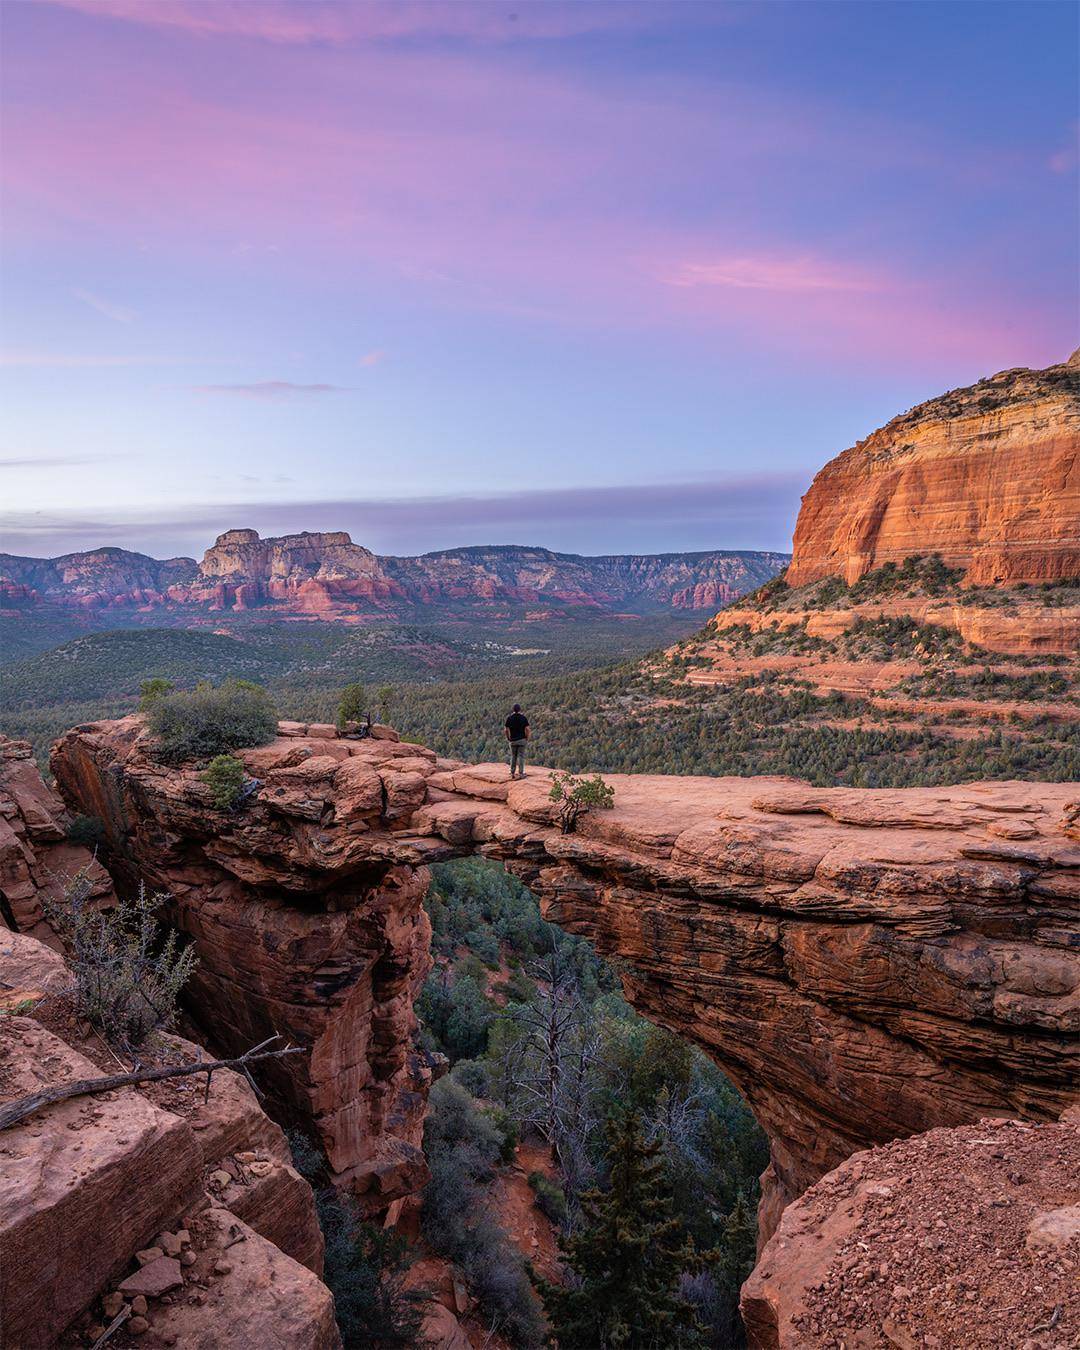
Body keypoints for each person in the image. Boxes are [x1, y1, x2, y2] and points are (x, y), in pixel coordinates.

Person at [504, 704, 530, 780]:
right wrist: (527, 738)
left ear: (513, 710)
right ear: (520, 709)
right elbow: (528, 729)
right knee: (521, 756)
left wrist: (508, 737)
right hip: (522, 740)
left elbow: (506, 729)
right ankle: (521, 773)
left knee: (513, 756)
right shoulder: (523, 718)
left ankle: (512, 773)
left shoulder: (509, 718)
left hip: (512, 740)